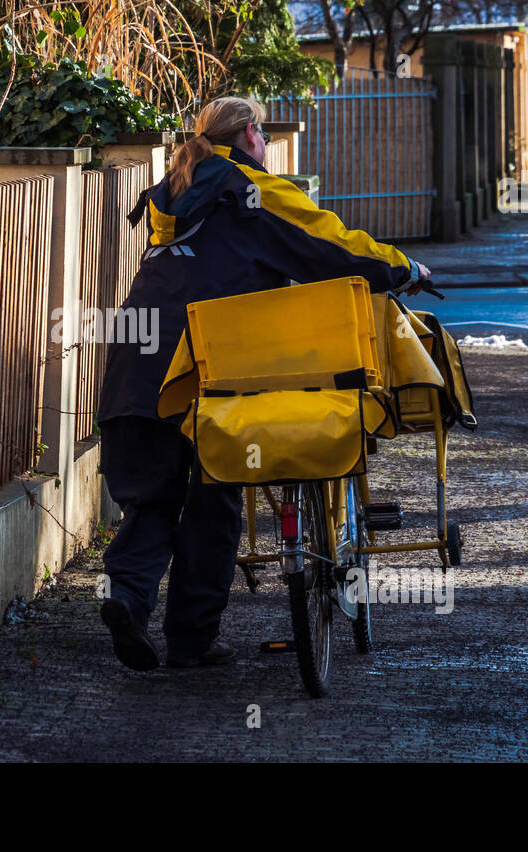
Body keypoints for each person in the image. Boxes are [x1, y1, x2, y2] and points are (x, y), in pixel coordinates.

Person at [95, 95, 431, 671]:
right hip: (207, 368)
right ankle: (192, 642)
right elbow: (333, 249)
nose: (268, 147)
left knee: (149, 503)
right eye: (265, 137)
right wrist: (404, 268)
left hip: (134, 361)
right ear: (250, 134)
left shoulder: (173, 194)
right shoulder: (252, 191)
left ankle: (127, 599)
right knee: (213, 497)